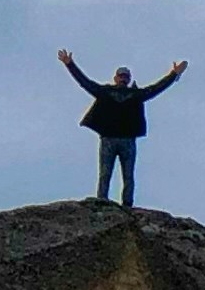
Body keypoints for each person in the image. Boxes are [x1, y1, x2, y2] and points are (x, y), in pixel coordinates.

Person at [59, 50, 186, 206]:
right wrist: (69, 64)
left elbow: (157, 88)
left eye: (125, 76)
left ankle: (126, 203)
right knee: (106, 173)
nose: (123, 79)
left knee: (128, 175)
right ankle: (102, 201)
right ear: (116, 78)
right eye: (121, 76)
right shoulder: (109, 92)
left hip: (126, 139)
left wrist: (173, 75)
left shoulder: (134, 94)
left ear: (128, 79)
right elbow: (85, 82)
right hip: (109, 138)